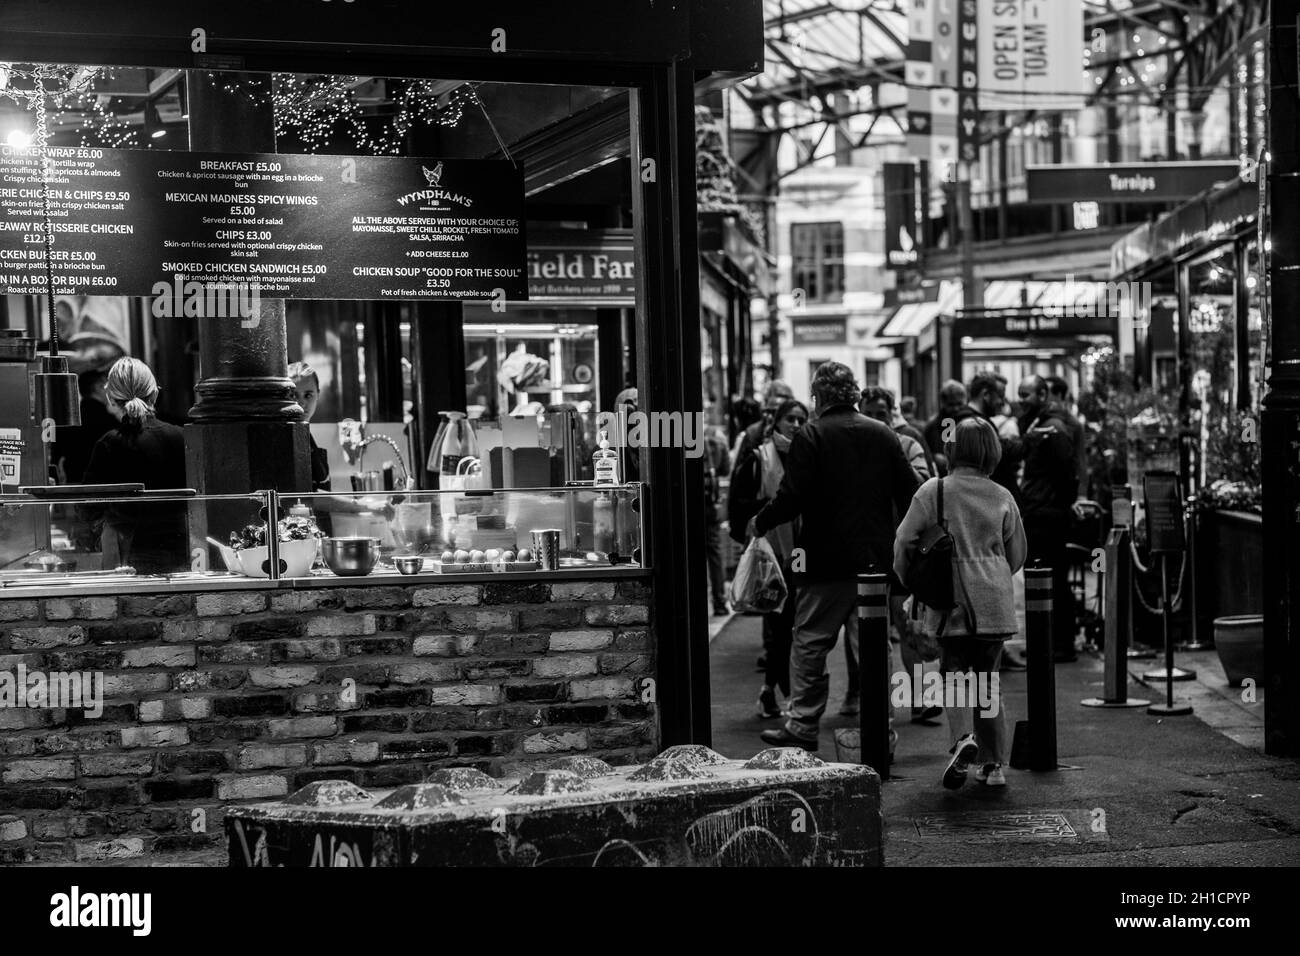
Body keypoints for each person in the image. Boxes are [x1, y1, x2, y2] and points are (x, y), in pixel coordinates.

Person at [747, 362, 919, 752]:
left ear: (819, 397)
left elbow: (792, 498)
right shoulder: (884, 434)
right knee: (874, 647)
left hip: (823, 559)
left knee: (809, 642)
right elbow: (911, 492)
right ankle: (880, 726)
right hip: (876, 560)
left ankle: (803, 724)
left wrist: (760, 522)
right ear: (854, 394)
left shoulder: (812, 434)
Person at [894, 417, 1027, 789]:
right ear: (991, 452)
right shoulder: (1002, 496)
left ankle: (962, 739)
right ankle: (992, 765)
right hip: (994, 603)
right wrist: (994, 575)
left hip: (949, 600)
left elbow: (904, 542)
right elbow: (1017, 553)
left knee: (953, 672)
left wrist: (910, 581)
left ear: (952, 449)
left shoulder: (933, 491)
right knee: (988, 680)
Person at [856, 385, 940, 721]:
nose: (876, 420)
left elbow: (924, 485)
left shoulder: (908, 442)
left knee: (908, 626)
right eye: (870, 413)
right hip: (866, 549)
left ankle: (921, 698)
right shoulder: (854, 446)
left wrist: (894, 455)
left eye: (882, 414)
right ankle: (873, 704)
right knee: (868, 631)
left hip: (904, 548)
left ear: (891, 413)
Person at [729, 398, 809, 719]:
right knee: (783, 624)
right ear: (776, 422)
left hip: (801, 553)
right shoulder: (759, 457)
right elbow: (739, 505)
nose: (796, 424)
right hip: (772, 556)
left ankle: (770, 692)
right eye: (790, 418)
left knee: (788, 626)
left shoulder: (807, 455)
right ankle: (785, 694)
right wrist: (764, 512)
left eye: (801, 419)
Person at [81, 358, 187, 574]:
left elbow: (87, 507)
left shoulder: (109, 443)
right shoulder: (182, 437)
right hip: (182, 548)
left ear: (110, 398)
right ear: (154, 394)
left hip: (126, 556)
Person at [1017, 374, 1079, 662]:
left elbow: (1067, 474)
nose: (1020, 400)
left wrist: (1058, 504)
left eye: (1025, 394)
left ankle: (1060, 644)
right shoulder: (1038, 425)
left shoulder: (1052, 428)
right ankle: (1048, 643)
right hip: (1042, 512)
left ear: (1042, 395)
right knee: (1043, 580)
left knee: (1052, 581)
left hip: (1048, 516)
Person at [1045, 375, 1096, 521]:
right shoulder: (1040, 419)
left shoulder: (1073, 424)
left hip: (1065, 490)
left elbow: (1081, 460)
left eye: (1047, 393)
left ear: (1059, 395)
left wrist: (1082, 494)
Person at [732, 380, 795, 476]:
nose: (770, 417)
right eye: (768, 412)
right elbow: (739, 476)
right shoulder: (753, 433)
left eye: (775, 413)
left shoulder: (797, 432)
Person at [289, 362, 331, 493]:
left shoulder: (305, 434)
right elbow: (307, 495)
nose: (301, 403)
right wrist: (360, 505)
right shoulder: (285, 439)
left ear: (318, 394)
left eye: (308, 395)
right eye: (293, 395)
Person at [703, 423, 732, 615]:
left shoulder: (687, 437)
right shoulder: (719, 439)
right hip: (710, 505)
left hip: (691, 505)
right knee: (714, 555)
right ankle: (720, 602)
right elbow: (725, 469)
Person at [923, 379, 968, 475]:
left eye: (959, 404)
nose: (956, 408)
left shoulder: (970, 423)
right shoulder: (932, 426)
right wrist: (934, 457)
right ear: (943, 403)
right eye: (951, 404)